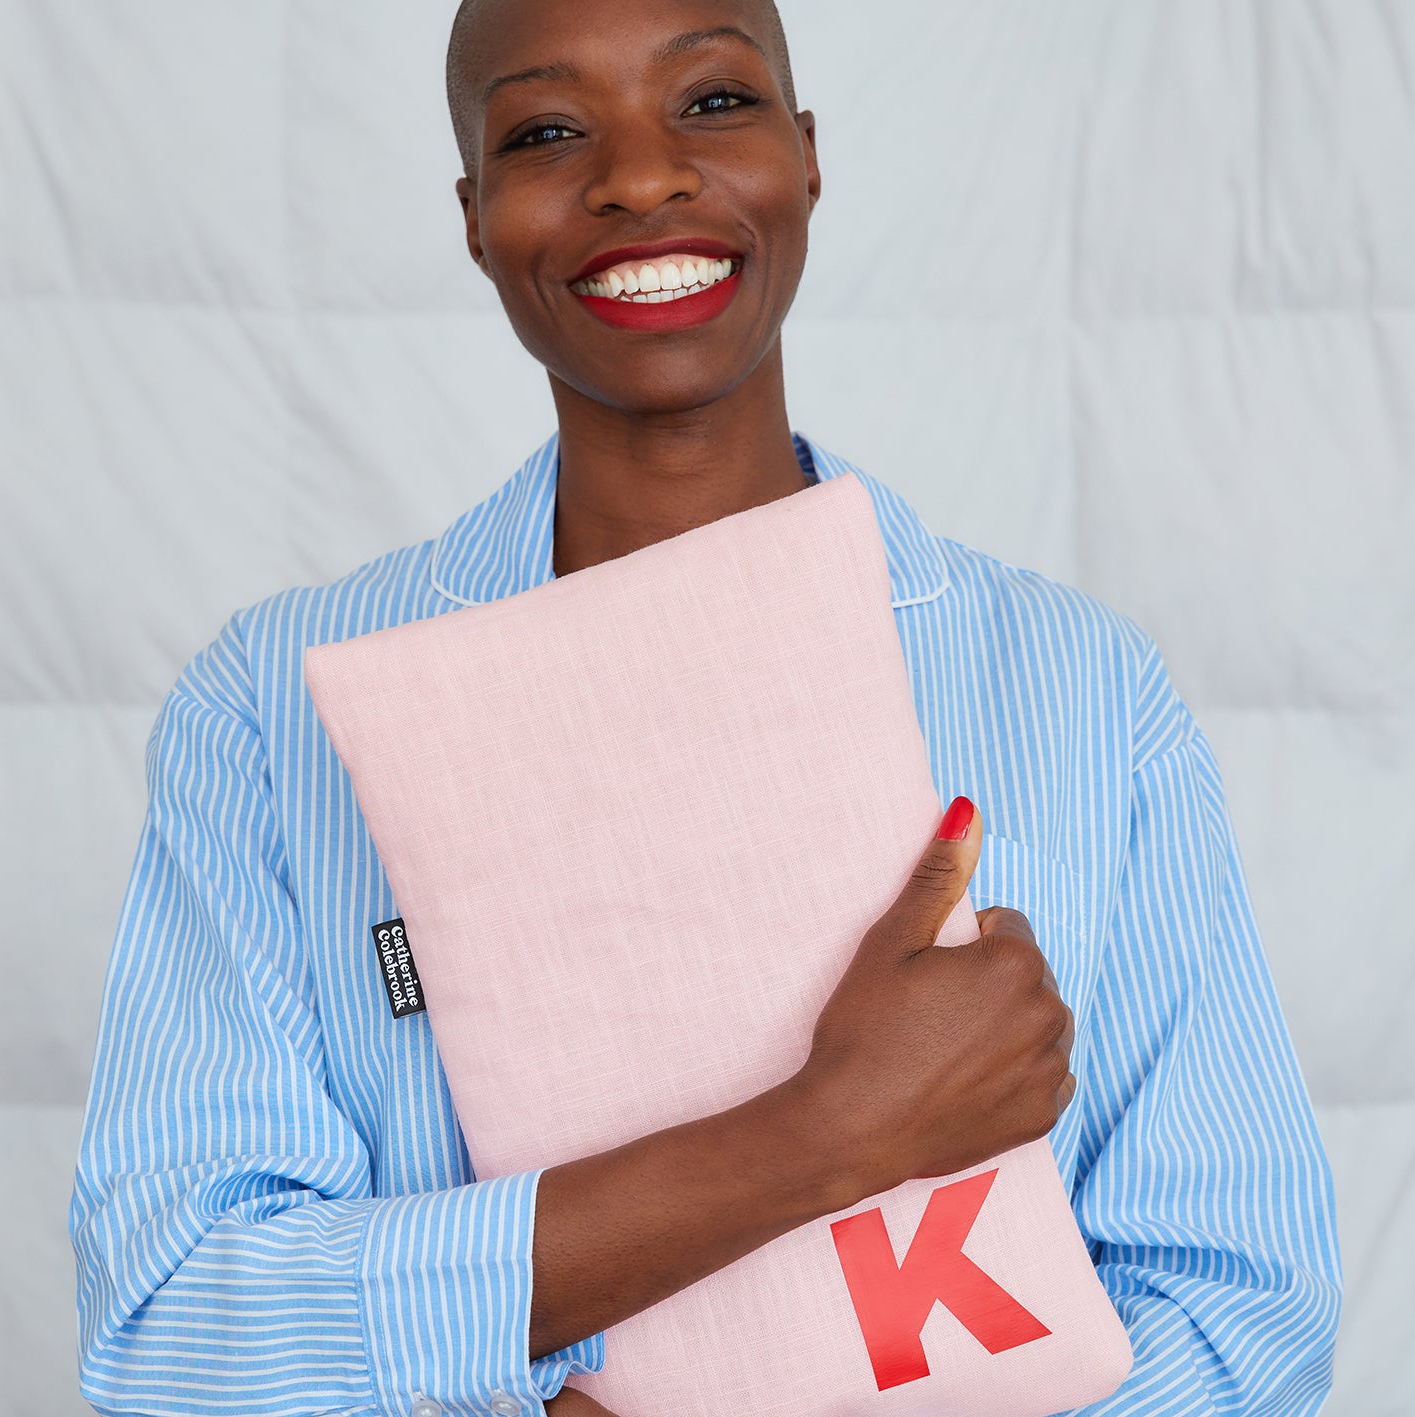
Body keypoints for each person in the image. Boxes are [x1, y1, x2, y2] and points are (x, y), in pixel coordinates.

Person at [70, 0, 1341, 1413]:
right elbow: (174, 1328)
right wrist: (825, 1134)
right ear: (475, 217)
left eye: (714, 101)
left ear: (807, 156)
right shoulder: (271, 710)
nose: (639, 175)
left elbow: (1244, 1312)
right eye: (547, 131)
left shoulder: (1078, 687)